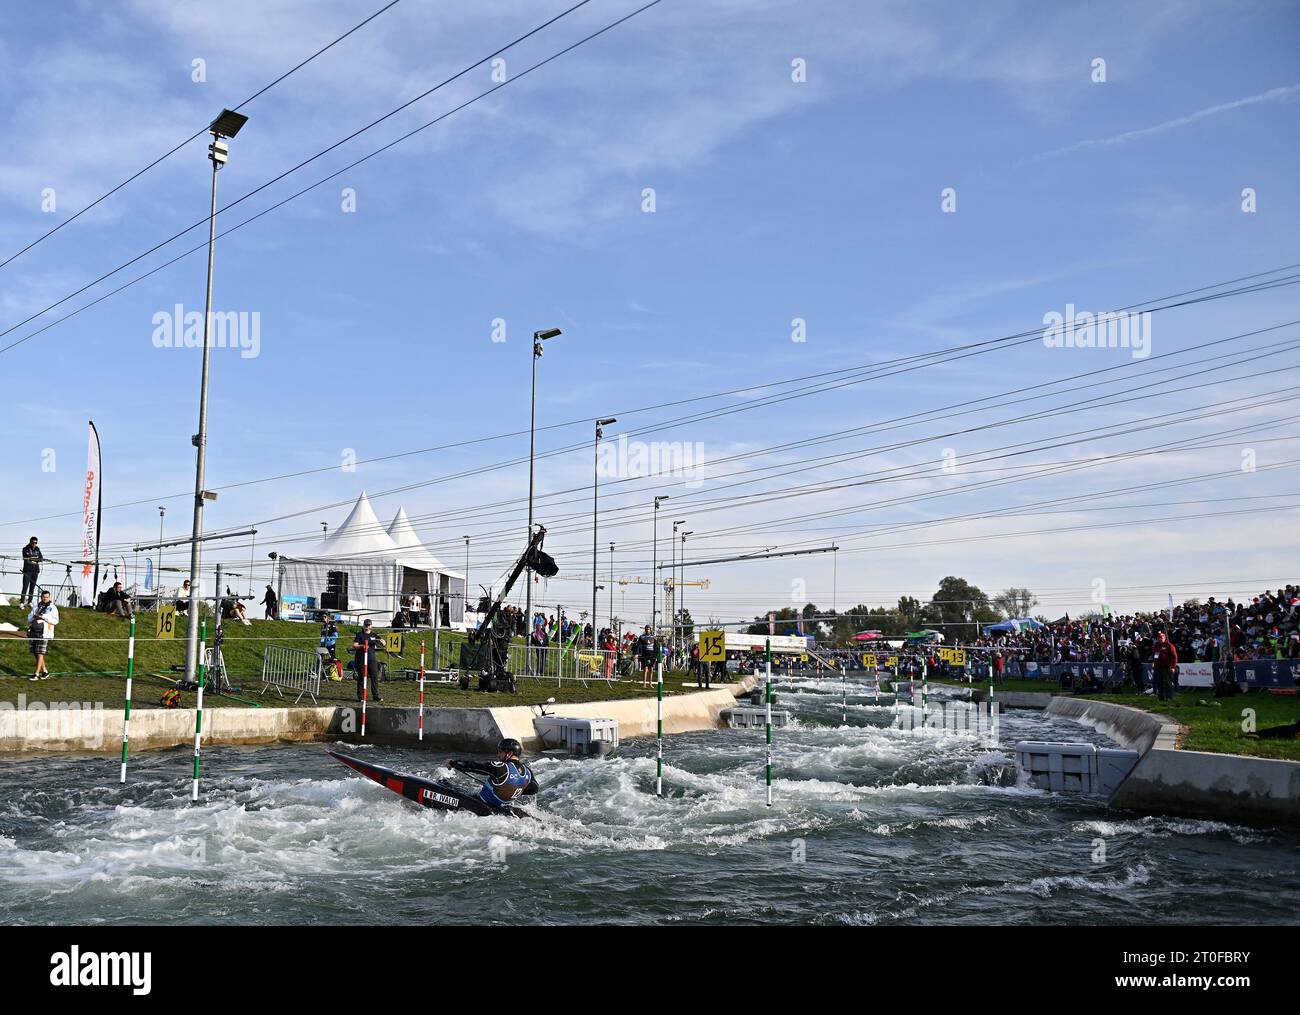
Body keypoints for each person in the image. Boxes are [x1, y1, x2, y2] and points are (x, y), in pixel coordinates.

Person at [446, 738, 539, 812]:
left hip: (481, 804)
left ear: (509, 753)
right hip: (500, 808)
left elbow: (474, 767)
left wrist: (453, 763)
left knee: (446, 785)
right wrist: (511, 790)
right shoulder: (528, 772)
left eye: (500, 752)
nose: (498, 755)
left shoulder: (501, 767)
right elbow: (534, 789)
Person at [26, 589, 59, 680]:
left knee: (40, 652)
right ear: (41, 597)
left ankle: (36, 674)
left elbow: (56, 621)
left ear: (49, 597)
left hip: (44, 633)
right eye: (43, 597)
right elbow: (29, 618)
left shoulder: (53, 608)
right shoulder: (36, 606)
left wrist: (43, 617)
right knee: (35, 653)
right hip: (33, 632)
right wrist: (34, 616)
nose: (45, 598)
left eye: (47, 597)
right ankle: (45, 671)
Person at [351, 619, 382, 702]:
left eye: (369, 625)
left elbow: (382, 643)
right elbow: (354, 645)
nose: (367, 626)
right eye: (366, 625)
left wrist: (382, 641)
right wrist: (362, 646)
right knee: (361, 677)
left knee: (374, 677)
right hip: (361, 658)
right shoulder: (359, 634)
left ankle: (376, 696)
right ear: (363, 625)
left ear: (371, 626)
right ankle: (360, 696)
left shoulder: (374, 635)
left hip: (372, 659)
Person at [1152, 630, 1179, 702]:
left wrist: (1173, 667)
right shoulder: (1156, 645)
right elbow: (1155, 655)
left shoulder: (1169, 645)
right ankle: (1161, 697)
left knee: (1168, 683)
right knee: (1159, 682)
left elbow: (1175, 657)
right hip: (1158, 667)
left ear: (1164, 638)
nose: (1159, 639)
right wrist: (1154, 662)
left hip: (1167, 667)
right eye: (1158, 638)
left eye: (1161, 637)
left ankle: (1169, 697)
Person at [20, 536, 43, 606]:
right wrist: (35, 559)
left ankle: (30, 602)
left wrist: (32, 558)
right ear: (30, 542)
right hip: (27, 570)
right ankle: (22, 602)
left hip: (35, 570)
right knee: (25, 586)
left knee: (32, 587)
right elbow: (26, 558)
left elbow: (41, 559)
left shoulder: (38, 549)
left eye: (36, 542)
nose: (34, 544)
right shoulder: (25, 549)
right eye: (33, 542)